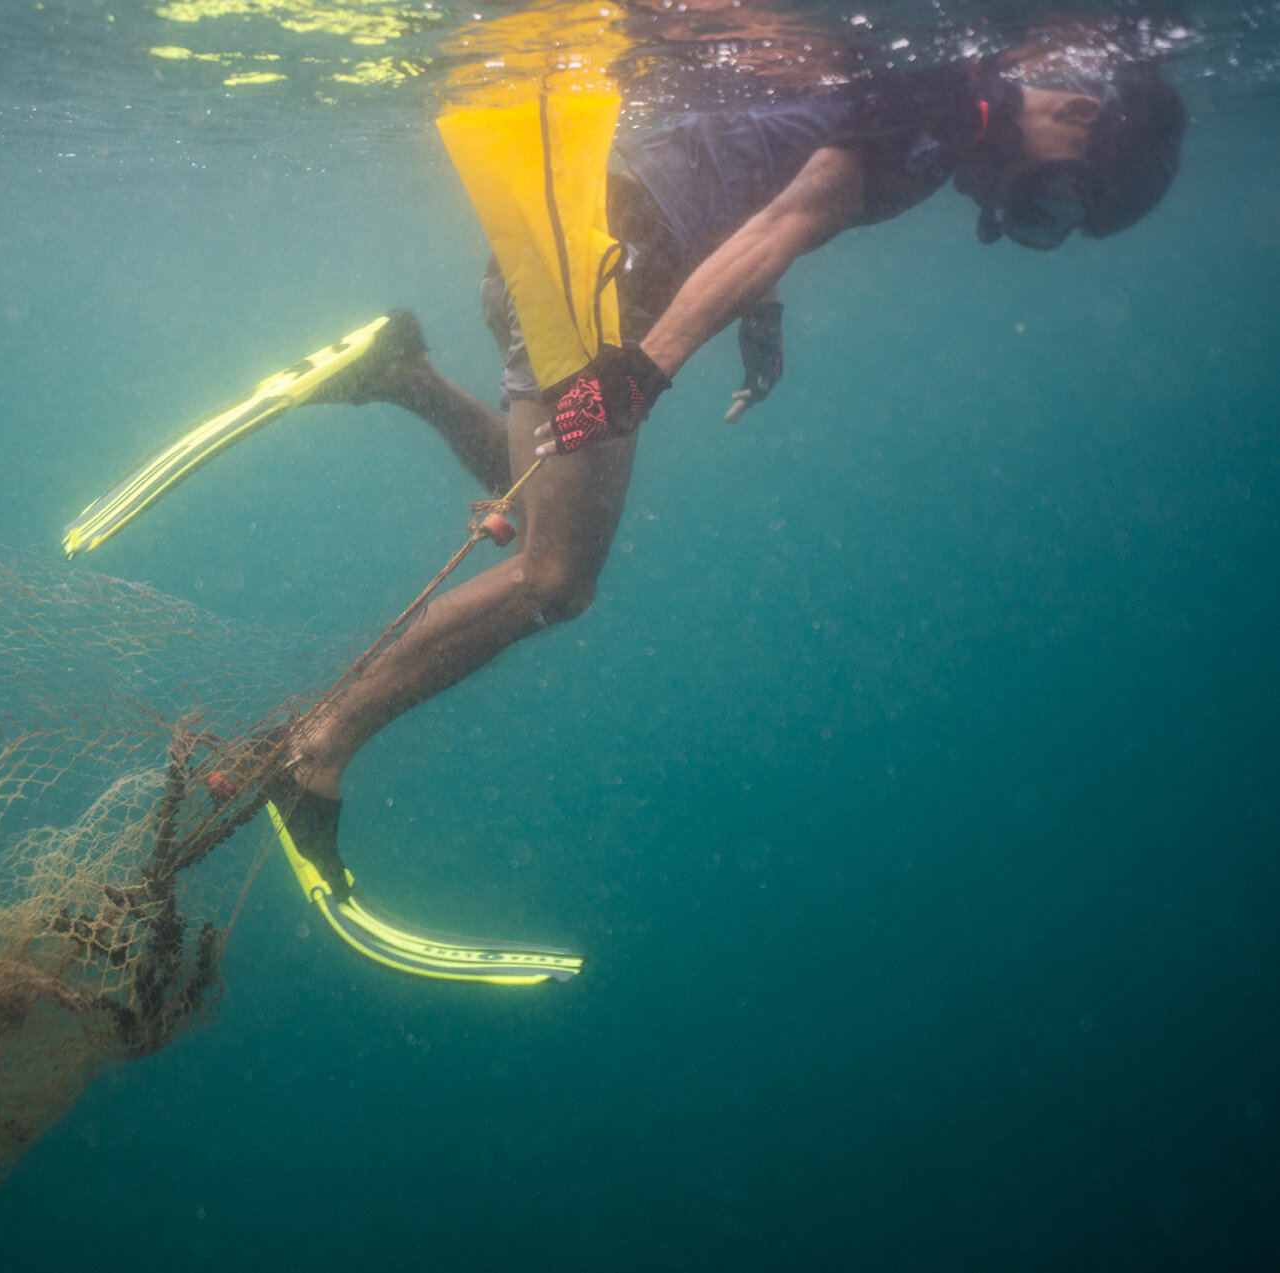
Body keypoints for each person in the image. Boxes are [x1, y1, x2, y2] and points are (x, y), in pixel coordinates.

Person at [66, 25, 1187, 983]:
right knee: (558, 578)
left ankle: (395, 368)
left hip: (578, 249)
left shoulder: (935, 98)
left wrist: (757, 315)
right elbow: (786, 217)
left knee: (551, 509)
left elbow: (764, 183)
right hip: (606, 272)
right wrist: (645, 367)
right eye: (1049, 213)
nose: (1009, 222)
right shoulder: (943, 118)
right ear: (1078, 117)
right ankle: (314, 751)